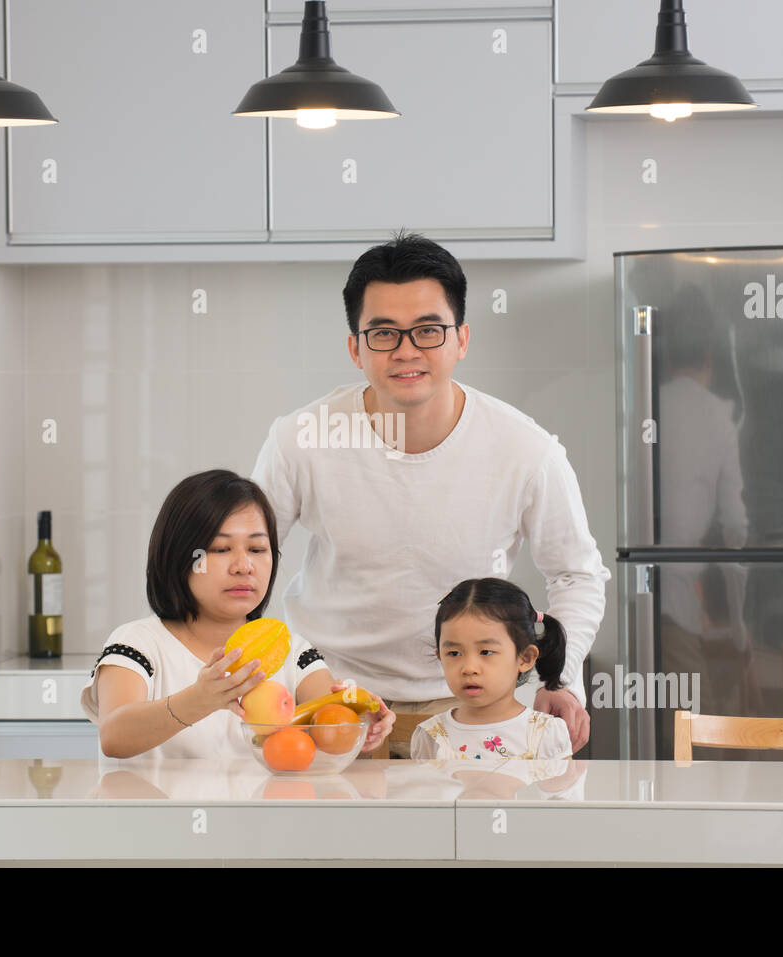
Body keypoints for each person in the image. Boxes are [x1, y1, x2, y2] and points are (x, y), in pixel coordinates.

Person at [250, 231, 609, 755]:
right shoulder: (299, 438)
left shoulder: (526, 449)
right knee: (337, 838)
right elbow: (250, 557)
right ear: (355, 348)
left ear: (462, 339)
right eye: (383, 334)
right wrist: (255, 672)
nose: (406, 351)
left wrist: (561, 678)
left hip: (473, 709)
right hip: (331, 702)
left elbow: (576, 573)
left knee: (471, 838)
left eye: (428, 331)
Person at [80, 469, 395, 759]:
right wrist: (200, 699)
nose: (244, 566)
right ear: (178, 557)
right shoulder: (139, 643)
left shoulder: (291, 651)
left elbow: (331, 727)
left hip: (261, 819)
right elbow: (114, 737)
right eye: (220, 549)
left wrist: (363, 721)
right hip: (157, 820)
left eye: (257, 550)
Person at [410, 578, 572, 761]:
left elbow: (559, 790)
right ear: (440, 656)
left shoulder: (546, 734)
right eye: (454, 653)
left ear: (525, 658)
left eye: (486, 652)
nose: (469, 668)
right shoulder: (431, 736)